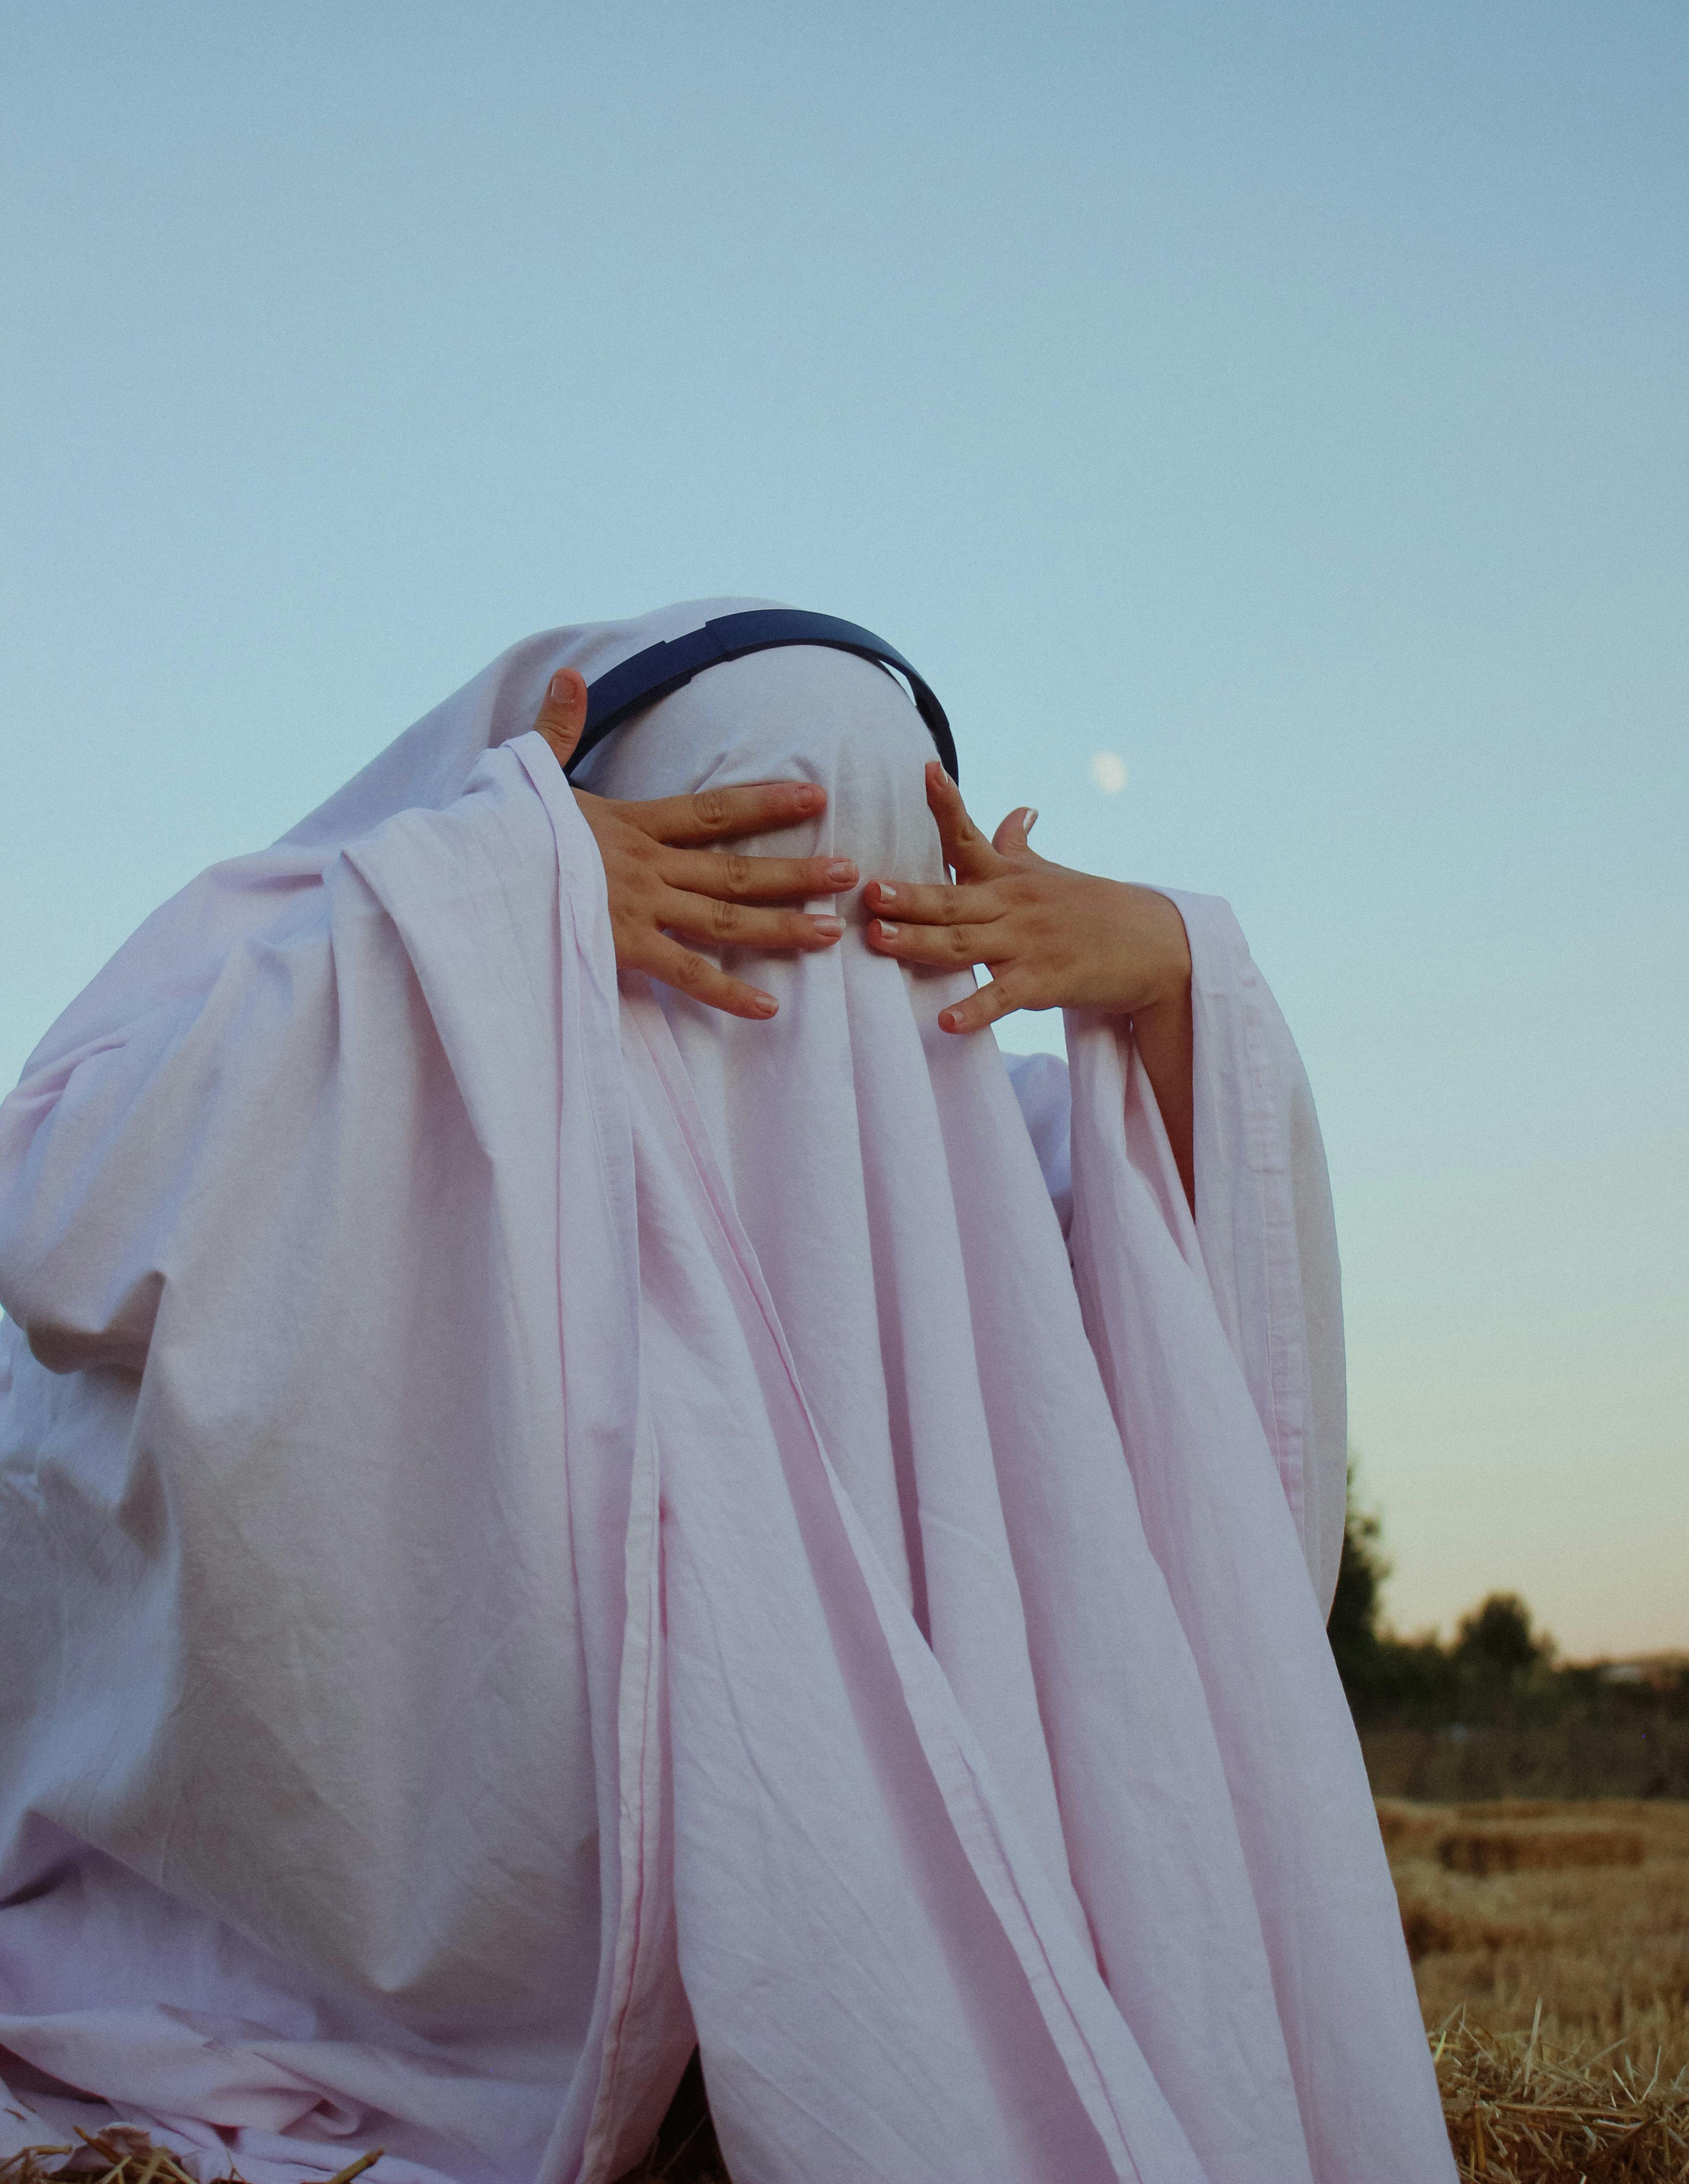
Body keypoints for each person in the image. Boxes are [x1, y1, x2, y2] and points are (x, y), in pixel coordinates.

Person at [0, 601, 1454, 2184]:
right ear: (634, 848)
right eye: (742, 882)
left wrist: (1184, 982)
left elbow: (1221, 1487)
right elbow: (65, 1204)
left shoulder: (968, 1168)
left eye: (875, 900)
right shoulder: (411, 967)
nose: (813, 992)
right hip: (373, 1998)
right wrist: (499, 901)